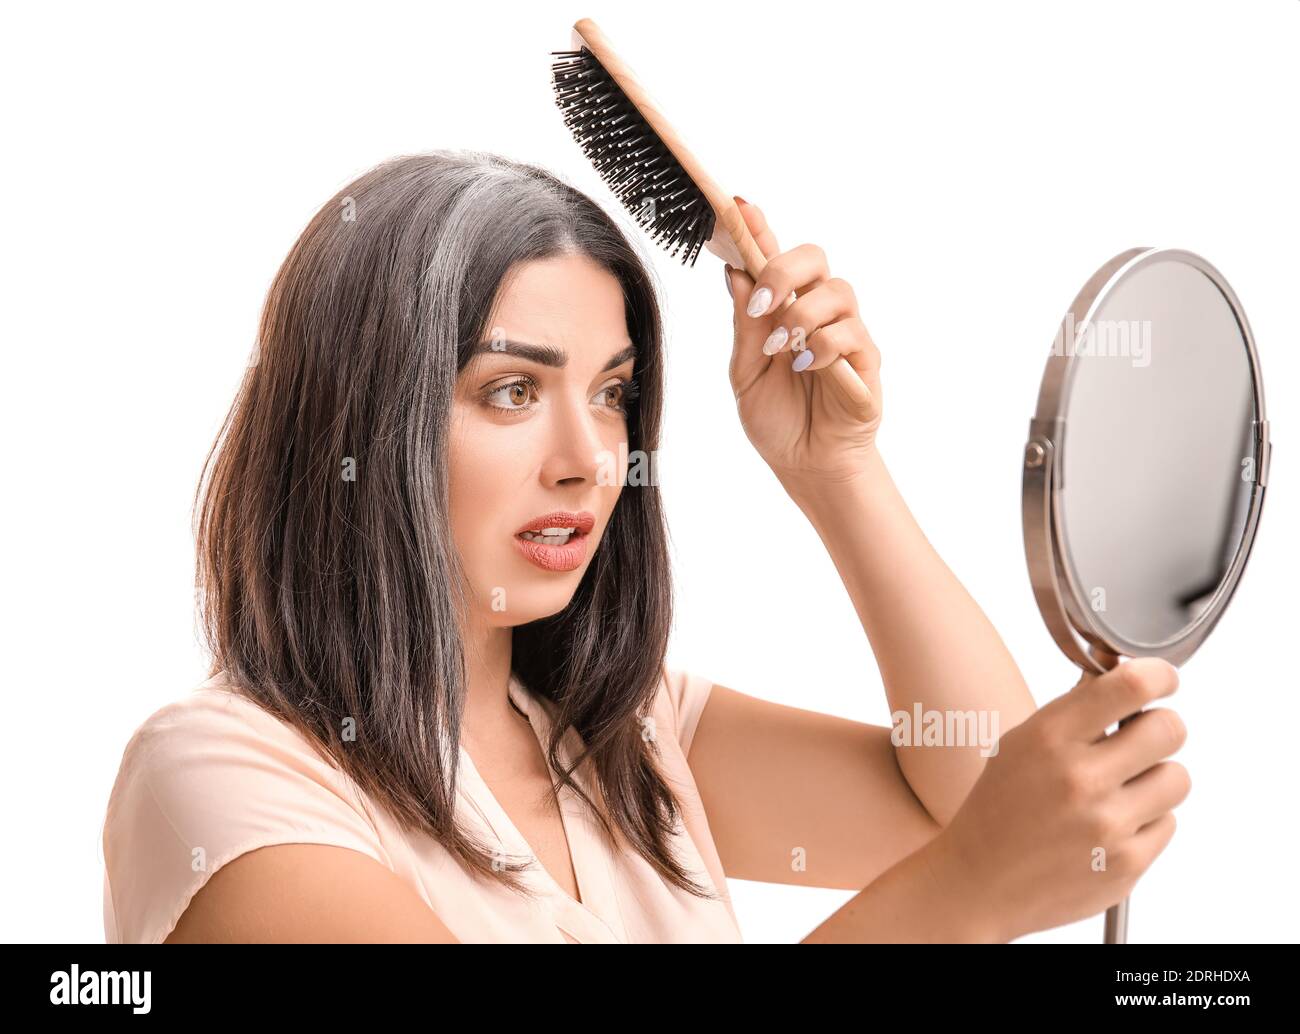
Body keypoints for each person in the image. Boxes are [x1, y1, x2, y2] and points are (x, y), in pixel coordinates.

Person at [100, 150, 1189, 943]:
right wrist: (965, 892)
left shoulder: (631, 739)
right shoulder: (222, 778)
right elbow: (985, 851)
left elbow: (992, 799)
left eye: (614, 393)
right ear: (357, 421)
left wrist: (837, 470)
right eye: (511, 390)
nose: (589, 458)